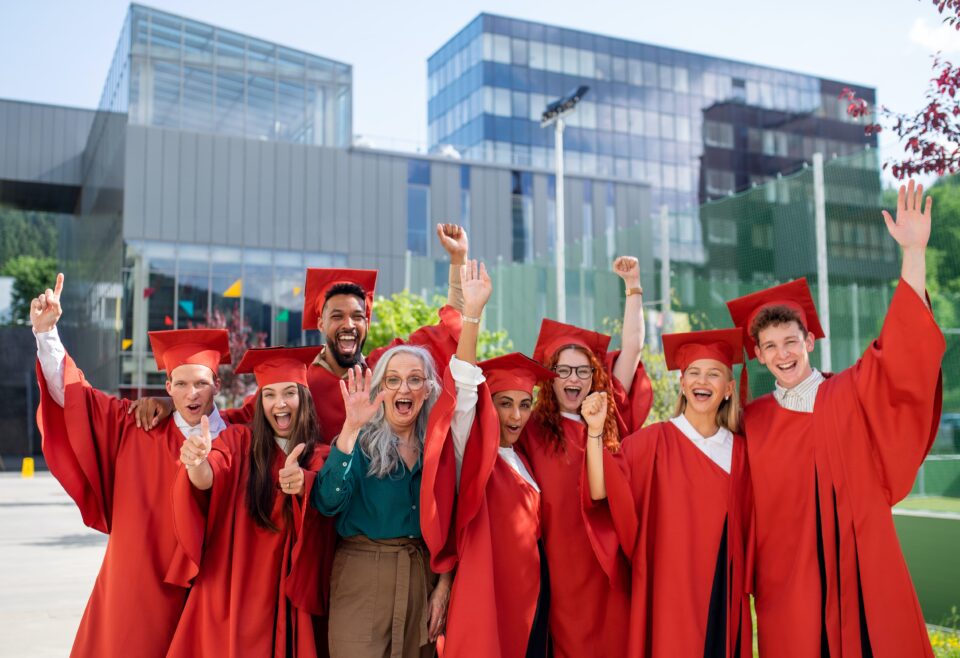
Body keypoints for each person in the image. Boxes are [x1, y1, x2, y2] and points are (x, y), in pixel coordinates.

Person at [725, 180, 944, 658]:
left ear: (810, 342)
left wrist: (913, 253)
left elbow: (902, 354)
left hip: (863, 566)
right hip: (790, 582)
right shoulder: (752, 423)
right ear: (759, 356)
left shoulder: (848, 392)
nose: (783, 354)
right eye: (771, 346)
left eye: (790, 341)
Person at [31, 273, 244, 658]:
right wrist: (47, 335)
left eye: (200, 383)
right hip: (142, 582)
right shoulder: (136, 426)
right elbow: (77, 397)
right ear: (166, 387)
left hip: (216, 589)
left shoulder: (241, 436)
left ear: (217, 384)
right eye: (179, 384)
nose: (190, 394)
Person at [132, 223, 470, 440]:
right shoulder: (296, 381)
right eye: (337, 316)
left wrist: (457, 261)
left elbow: (448, 330)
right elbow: (235, 420)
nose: (348, 324)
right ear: (320, 323)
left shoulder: (388, 368)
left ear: (367, 323)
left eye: (357, 316)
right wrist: (172, 404)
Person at [582, 329, 753, 658]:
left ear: (729, 388)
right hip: (666, 590)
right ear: (682, 383)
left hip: (721, 589)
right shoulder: (652, 443)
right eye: (694, 373)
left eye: (714, 373)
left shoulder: (743, 453)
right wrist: (594, 432)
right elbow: (602, 490)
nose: (703, 381)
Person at [516, 255, 653, 658]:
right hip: (558, 561)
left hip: (606, 555)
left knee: (614, 638)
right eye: (563, 370)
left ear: (596, 378)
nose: (573, 379)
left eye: (582, 372)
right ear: (550, 377)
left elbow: (633, 346)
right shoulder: (532, 429)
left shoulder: (611, 419)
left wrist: (633, 287)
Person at [165, 346, 337, 658]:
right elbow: (210, 475)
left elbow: (325, 527)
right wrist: (196, 463)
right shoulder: (238, 442)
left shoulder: (320, 457)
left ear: (304, 399)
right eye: (269, 395)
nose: (279, 403)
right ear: (260, 403)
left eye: (289, 393)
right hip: (235, 589)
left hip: (287, 597)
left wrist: (304, 484)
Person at [421, 260, 554, 658]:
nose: (516, 415)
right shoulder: (475, 455)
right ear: (489, 407)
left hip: (531, 599)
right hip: (489, 598)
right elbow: (462, 395)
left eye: (525, 404)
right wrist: (473, 314)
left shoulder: (525, 461)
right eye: (505, 403)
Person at [312, 343, 452, 658]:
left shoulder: (438, 450)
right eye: (393, 379)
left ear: (428, 389)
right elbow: (326, 501)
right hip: (363, 579)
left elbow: (452, 524)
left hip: (420, 581)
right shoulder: (358, 444)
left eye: (415, 379)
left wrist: (443, 587)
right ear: (382, 389)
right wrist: (350, 428)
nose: (404, 388)